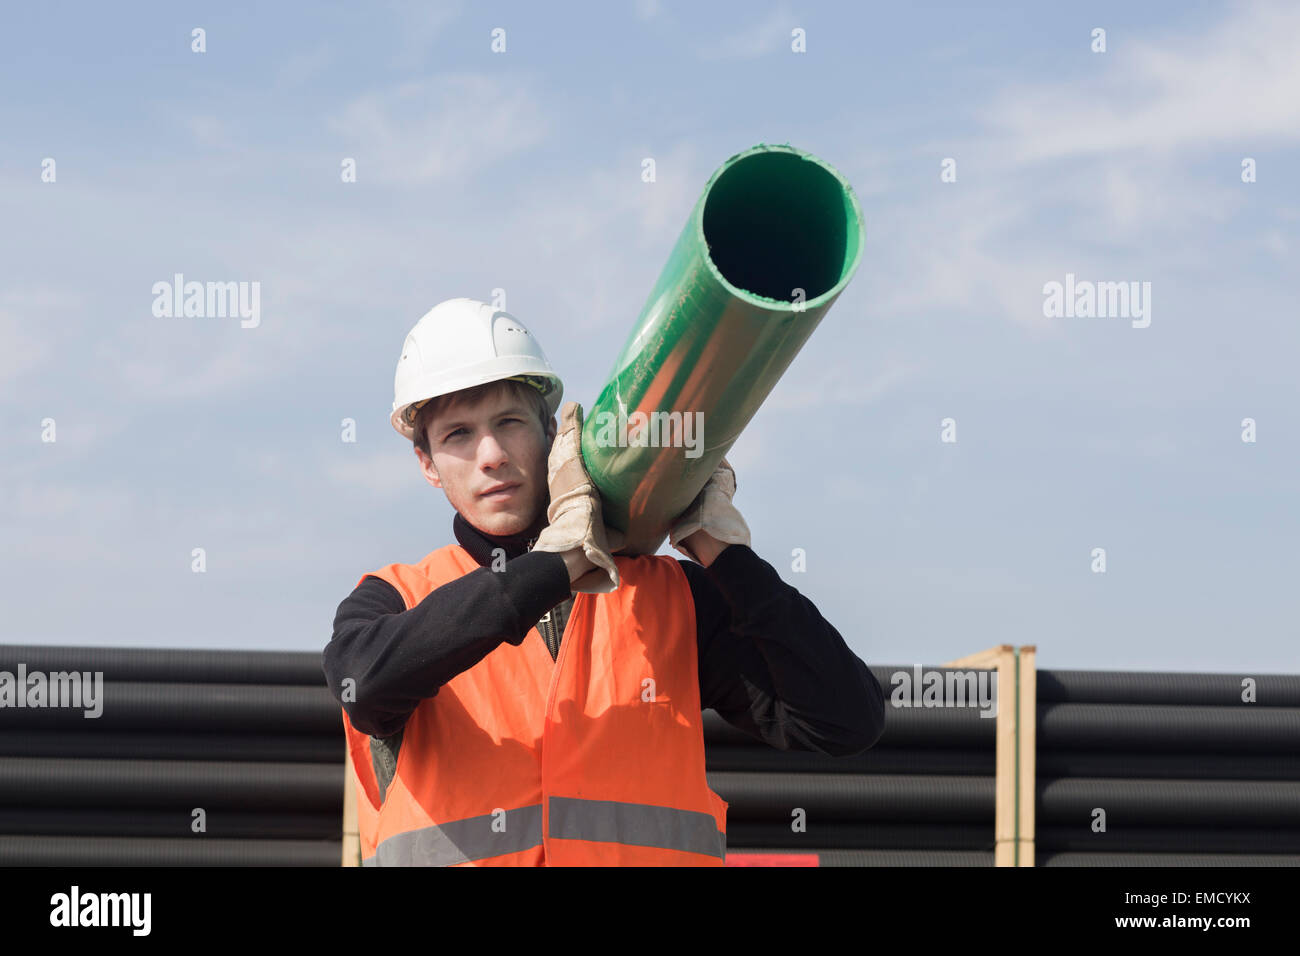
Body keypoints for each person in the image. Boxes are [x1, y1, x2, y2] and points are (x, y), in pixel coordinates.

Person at [323, 297, 884, 866]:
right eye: (458, 435)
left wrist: (726, 555)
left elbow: (847, 722)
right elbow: (364, 687)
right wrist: (559, 563)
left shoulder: (675, 601)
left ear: (550, 433)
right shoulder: (394, 598)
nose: (489, 455)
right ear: (427, 463)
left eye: (508, 423)